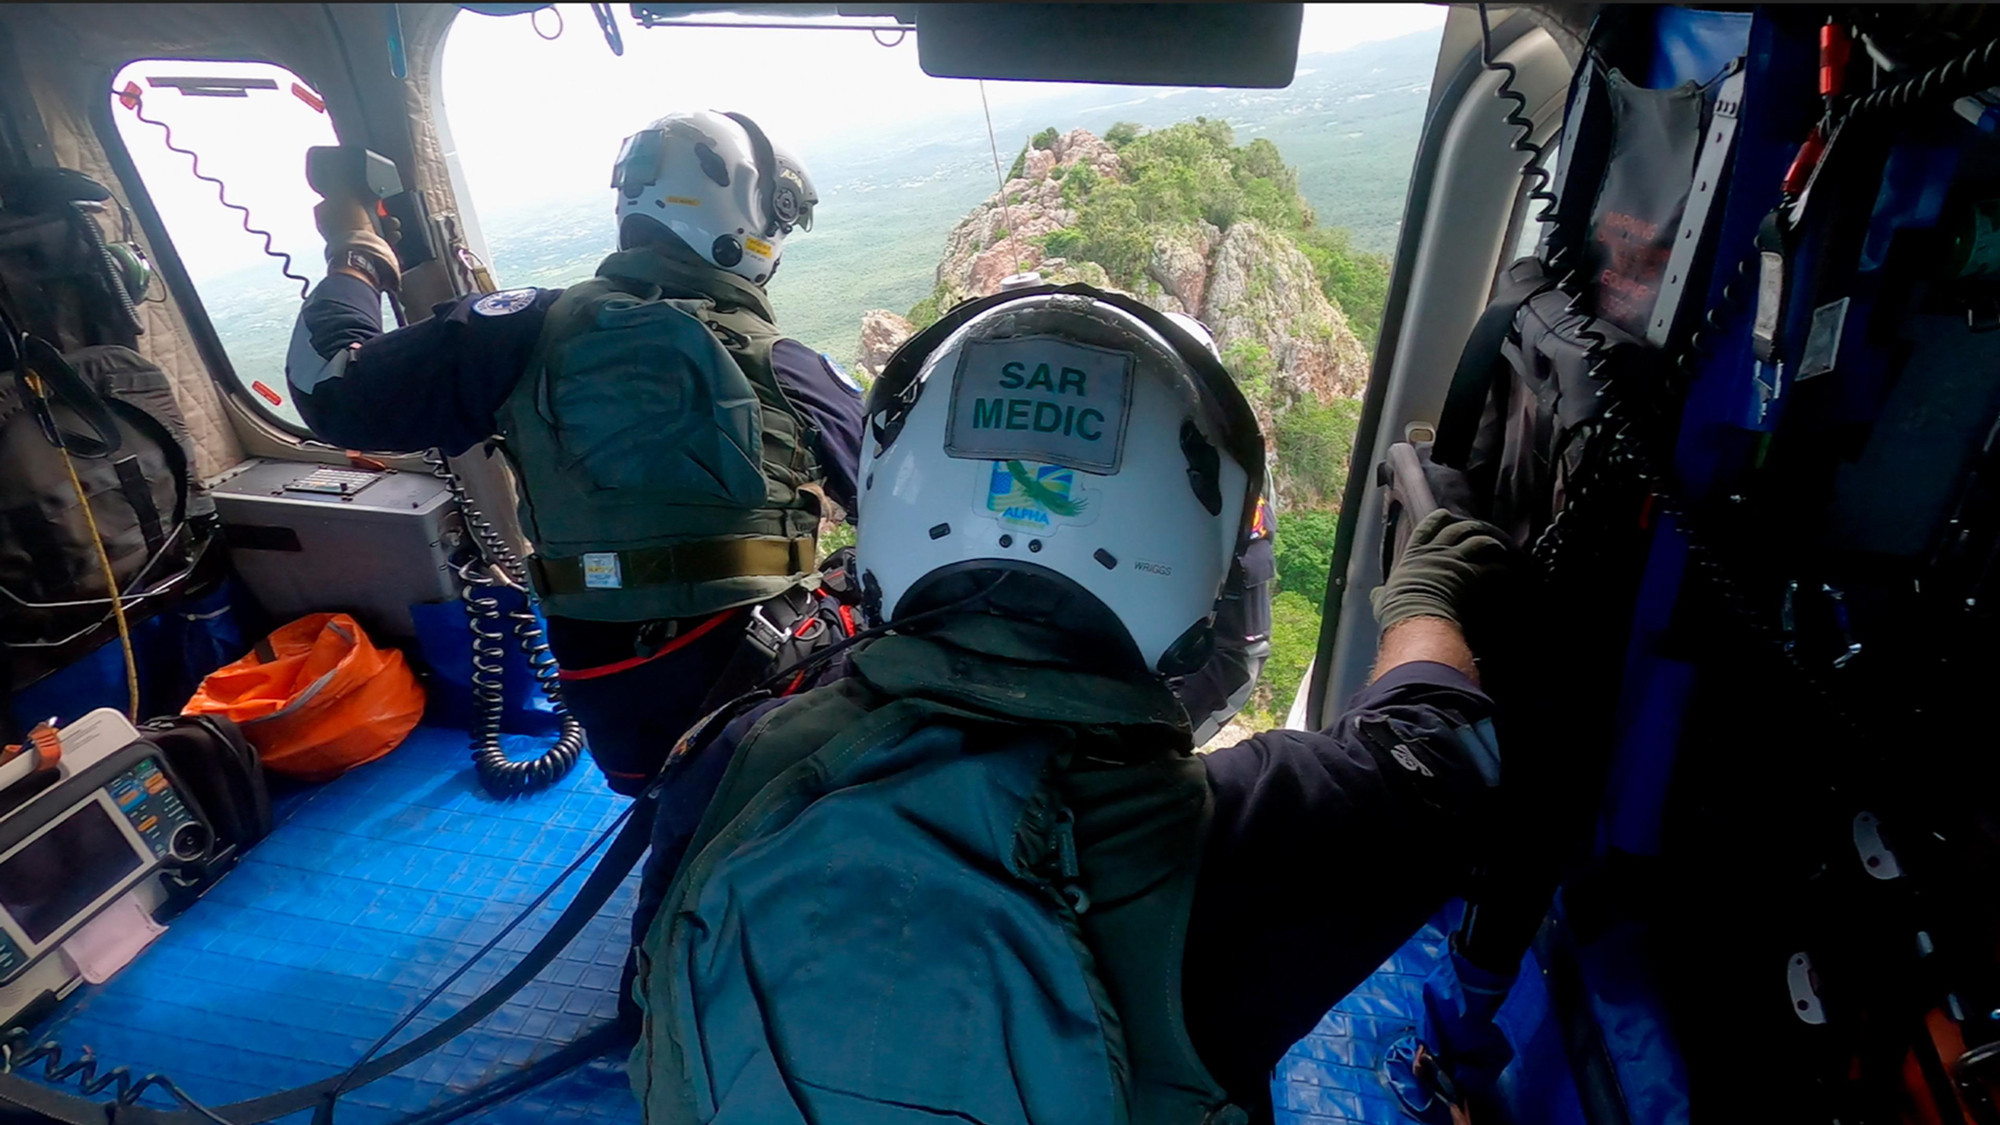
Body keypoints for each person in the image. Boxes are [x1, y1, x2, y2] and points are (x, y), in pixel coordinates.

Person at [624, 286, 1516, 1123]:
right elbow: (1443, 750)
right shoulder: (1241, 846)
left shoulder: (736, 755)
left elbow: (653, 1002)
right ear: (1198, 545)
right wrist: (1425, 599)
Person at [283, 110, 865, 796]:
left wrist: (355, 251)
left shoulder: (514, 331)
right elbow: (907, 520)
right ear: (754, 215)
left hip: (614, 710)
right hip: (767, 704)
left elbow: (329, 387)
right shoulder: (792, 368)